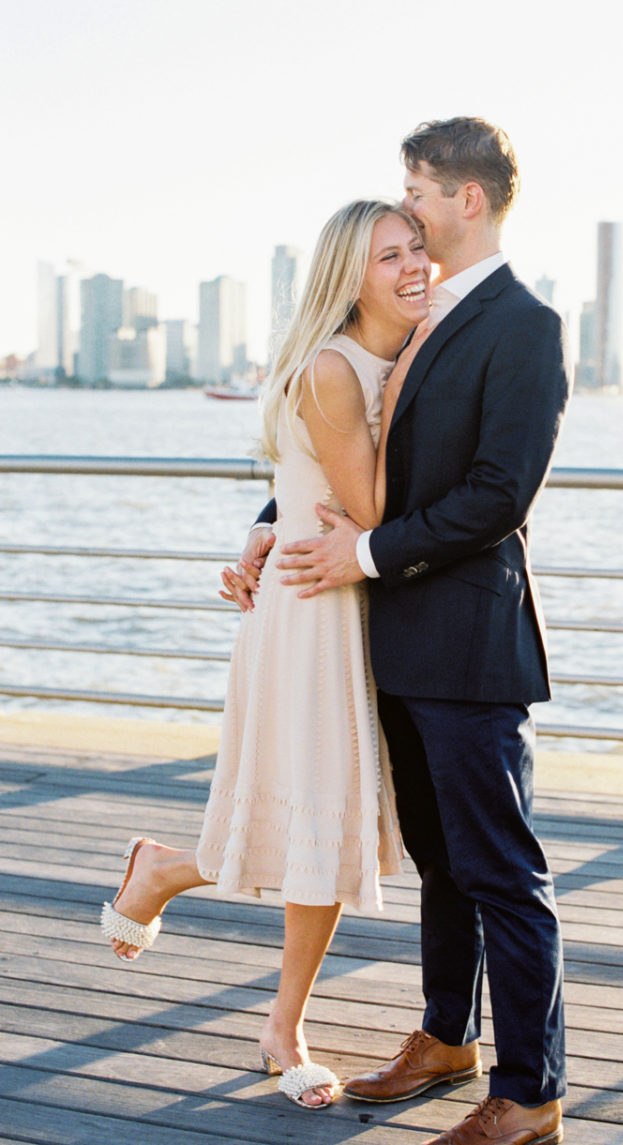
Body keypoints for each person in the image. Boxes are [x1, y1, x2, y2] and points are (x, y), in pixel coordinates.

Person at [265, 118, 572, 1145]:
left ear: (467, 199)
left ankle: (530, 1093)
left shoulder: (523, 324)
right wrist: (272, 526)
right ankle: (448, 1036)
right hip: (397, 641)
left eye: (420, 193)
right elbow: (358, 442)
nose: (410, 210)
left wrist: (360, 556)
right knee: (443, 860)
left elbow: (494, 496)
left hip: (469, 647)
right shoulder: (422, 316)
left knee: (502, 872)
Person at [100, 199, 432, 1110]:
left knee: (319, 813)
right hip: (314, 610)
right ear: (345, 276)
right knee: (315, 808)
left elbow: (316, 496)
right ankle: (277, 1018)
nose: (409, 268)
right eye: (386, 257)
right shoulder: (335, 367)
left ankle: (171, 873)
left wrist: (265, 525)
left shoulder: (383, 354)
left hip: (338, 594)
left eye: (415, 250)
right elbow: (369, 508)